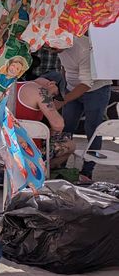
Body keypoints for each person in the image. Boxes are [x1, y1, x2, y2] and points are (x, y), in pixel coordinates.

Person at [55, 35, 111, 183]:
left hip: (96, 89)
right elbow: (65, 68)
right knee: (66, 126)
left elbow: (86, 84)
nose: (51, 50)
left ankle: (87, 172)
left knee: (93, 129)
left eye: (53, 47)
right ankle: (60, 167)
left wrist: (62, 101)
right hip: (72, 87)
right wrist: (63, 91)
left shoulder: (83, 47)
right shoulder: (59, 47)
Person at [14, 76, 76, 169]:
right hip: (31, 149)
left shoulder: (12, 87)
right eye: (54, 95)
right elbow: (58, 125)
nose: (52, 98)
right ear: (52, 84)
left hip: (6, 144)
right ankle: (44, 171)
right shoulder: (41, 91)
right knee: (71, 145)